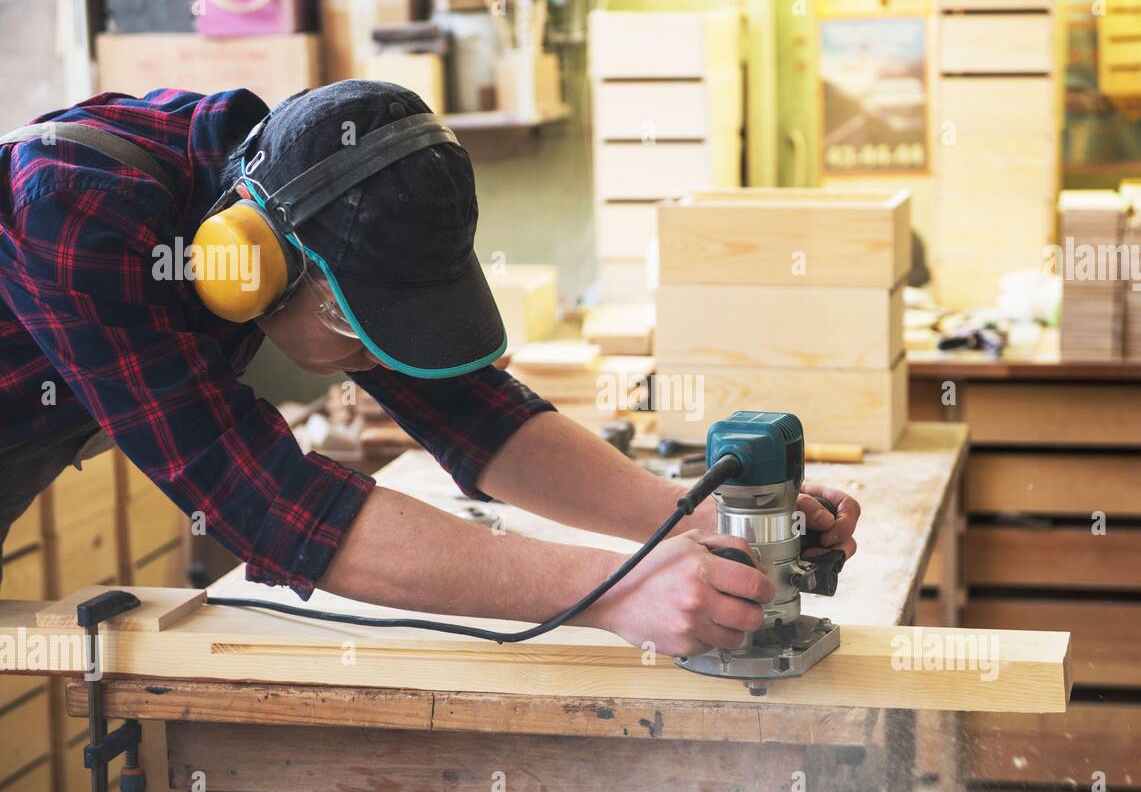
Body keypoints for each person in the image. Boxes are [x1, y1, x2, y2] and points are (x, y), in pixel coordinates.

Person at [0, 80, 860, 657]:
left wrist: (685, 521)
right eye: (359, 324)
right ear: (247, 263)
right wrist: (612, 593)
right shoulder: (75, 209)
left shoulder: (304, 178)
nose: (379, 359)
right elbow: (266, 505)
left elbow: (475, 415)